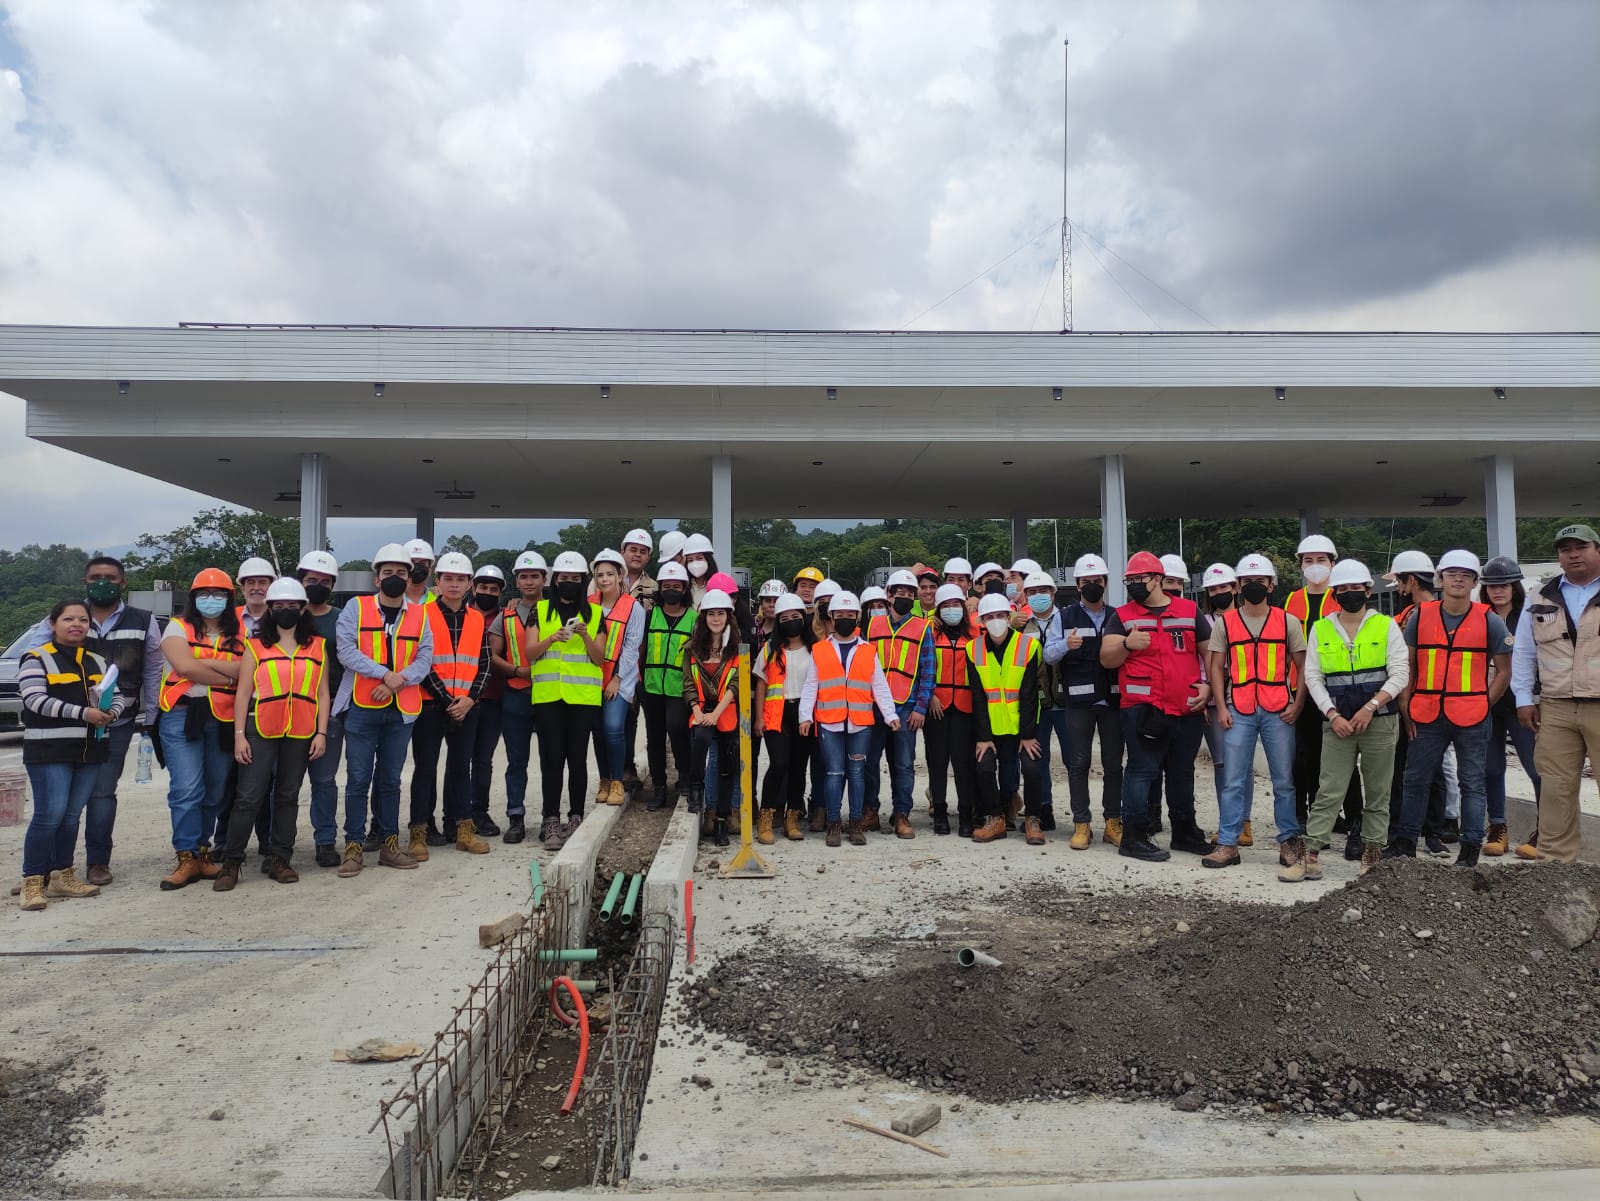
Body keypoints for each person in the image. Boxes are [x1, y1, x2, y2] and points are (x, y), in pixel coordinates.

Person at [17, 555, 161, 888]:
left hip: (115, 724)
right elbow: (38, 658)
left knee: (100, 795)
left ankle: (97, 862)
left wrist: (150, 715)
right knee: (57, 805)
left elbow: (153, 670)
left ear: (123, 583)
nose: (103, 582)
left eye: (111, 577)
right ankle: (42, 871)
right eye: (96, 576)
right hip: (61, 729)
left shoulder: (143, 619)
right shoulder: (66, 616)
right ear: (85, 581)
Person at [1387, 550, 1513, 867]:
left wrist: (1485, 704)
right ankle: (1405, 844)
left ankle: (1469, 849)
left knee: (1472, 783)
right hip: (1426, 713)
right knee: (1415, 779)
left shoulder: (1490, 621)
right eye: (1452, 573)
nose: (1458, 579)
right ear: (1441, 578)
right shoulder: (1421, 616)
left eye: (1466, 575)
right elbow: (1409, 663)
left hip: (1472, 714)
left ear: (1474, 582)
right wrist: (1406, 703)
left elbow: (1504, 671)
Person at [1293, 560, 1407, 879]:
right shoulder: (1322, 628)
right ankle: (1310, 855)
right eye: (1342, 589)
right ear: (1334, 594)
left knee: (1378, 790)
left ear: (1368, 591)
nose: (1349, 594)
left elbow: (1400, 673)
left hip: (1380, 721)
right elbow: (1313, 676)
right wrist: (1332, 714)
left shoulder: (1385, 626)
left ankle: (1372, 854)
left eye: (1355, 588)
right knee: (1328, 789)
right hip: (1337, 723)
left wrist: (1371, 706)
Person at [1099, 551, 1215, 863]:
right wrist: (1126, 644)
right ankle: (1134, 836)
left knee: (1181, 771)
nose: (1135, 584)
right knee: (1141, 771)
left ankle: (1184, 831)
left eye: (1141, 579)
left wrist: (1210, 687)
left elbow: (1210, 655)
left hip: (1186, 708)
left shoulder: (1189, 612)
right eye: (1130, 580)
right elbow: (1106, 657)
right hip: (1143, 709)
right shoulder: (1122, 617)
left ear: (1159, 579)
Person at [216, 578, 330, 889]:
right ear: (269, 609)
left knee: (288, 795)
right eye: (278, 606)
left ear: (303, 608)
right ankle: (231, 862)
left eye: (292, 606)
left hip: (302, 730)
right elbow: (242, 693)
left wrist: (322, 733)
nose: (285, 610)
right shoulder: (255, 646)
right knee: (248, 797)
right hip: (261, 729)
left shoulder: (317, 646)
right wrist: (239, 734)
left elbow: (323, 693)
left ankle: (280, 858)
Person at [15, 600, 126, 911]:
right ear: (53, 624)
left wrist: (111, 714)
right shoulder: (36, 658)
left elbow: (117, 696)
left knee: (70, 816)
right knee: (48, 816)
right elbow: (36, 700)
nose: (76, 624)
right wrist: (85, 713)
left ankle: (62, 875)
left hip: (90, 750)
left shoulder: (97, 661)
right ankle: (32, 881)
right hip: (50, 750)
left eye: (82, 619)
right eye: (68, 619)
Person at [334, 544, 435, 877]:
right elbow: (345, 650)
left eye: (401, 573)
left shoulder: (420, 614)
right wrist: (383, 673)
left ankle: (390, 845)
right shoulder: (356, 608)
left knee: (391, 780)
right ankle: (354, 847)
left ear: (409, 579)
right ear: (376, 578)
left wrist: (396, 681)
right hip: (362, 708)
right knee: (359, 780)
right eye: (388, 573)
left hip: (401, 709)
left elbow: (424, 658)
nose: (395, 578)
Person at [1204, 554, 1307, 873]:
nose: (1253, 587)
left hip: (1278, 708)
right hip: (1240, 708)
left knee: (1284, 781)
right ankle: (1229, 842)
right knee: (1233, 780)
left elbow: (1304, 666)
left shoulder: (1288, 621)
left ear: (1271, 584)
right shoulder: (1226, 623)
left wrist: (1297, 703)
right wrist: (1222, 707)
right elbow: (1216, 668)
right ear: (1238, 586)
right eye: (1247, 582)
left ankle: (1289, 841)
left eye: (1259, 582)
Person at [1513, 524, 1600, 863]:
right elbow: (1523, 651)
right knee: (1555, 789)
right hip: (1556, 707)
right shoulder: (1539, 596)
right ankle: (1554, 867)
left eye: (1581, 546)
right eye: (1566, 549)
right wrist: (1523, 699)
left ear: (1597, 550)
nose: (1573, 554)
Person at [156, 569, 244, 889]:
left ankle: (202, 853)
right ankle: (186, 855)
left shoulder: (242, 630)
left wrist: (205, 667)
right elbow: (184, 667)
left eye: (219, 594)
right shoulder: (177, 627)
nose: (211, 600)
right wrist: (232, 677)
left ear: (229, 598)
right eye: (204, 594)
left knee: (215, 790)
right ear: (193, 598)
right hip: (182, 715)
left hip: (223, 717)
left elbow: (248, 668)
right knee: (187, 788)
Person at [407, 551, 492, 860]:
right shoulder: (420, 615)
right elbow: (420, 661)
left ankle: (463, 832)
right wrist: (446, 699)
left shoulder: (477, 618)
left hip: (467, 707)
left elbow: (484, 663)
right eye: (448, 579)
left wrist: (470, 699)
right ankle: (418, 833)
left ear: (469, 584)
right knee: (425, 769)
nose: (454, 584)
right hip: (431, 704)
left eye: (460, 579)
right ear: (438, 582)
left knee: (460, 769)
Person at [800, 591, 899, 847]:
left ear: (857, 617)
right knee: (834, 773)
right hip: (830, 722)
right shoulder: (819, 650)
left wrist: (890, 715)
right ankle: (833, 824)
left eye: (850, 615)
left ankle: (855, 824)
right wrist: (805, 716)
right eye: (840, 615)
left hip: (860, 723)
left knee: (856, 774)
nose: (845, 619)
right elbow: (811, 685)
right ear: (831, 618)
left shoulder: (868, 650)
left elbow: (879, 686)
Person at [1284, 535, 1364, 847]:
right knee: (1304, 757)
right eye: (1308, 560)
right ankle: (1309, 816)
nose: (1314, 566)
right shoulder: (1292, 601)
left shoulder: (1343, 596)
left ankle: (1353, 818)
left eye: (1321, 560)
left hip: (1339, 692)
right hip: (1300, 689)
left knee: (1343, 760)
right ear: (1301, 564)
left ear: (1333, 562)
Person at [527, 551, 606, 851]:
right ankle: (550, 819)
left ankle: (575, 817)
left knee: (577, 760)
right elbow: (529, 653)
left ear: (582, 581)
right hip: (549, 698)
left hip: (582, 699)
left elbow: (599, 659)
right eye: (564, 578)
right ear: (554, 581)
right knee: (551, 760)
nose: (569, 583)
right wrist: (552, 639)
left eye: (575, 579)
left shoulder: (596, 614)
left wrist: (585, 636)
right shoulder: (540, 610)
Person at [1048, 554, 1123, 849]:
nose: (1092, 585)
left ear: (1105, 583)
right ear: (1077, 584)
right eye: (1087, 581)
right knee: (1078, 764)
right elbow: (1048, 654)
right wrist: (1066, 645)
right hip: (1078, 703)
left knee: (1113, 764)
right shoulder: (1063, 618)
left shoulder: (1118, 617)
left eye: (1097, 581)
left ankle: (1113, 822)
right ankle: (1081, 824)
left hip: (1112, 701)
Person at [1384, 550, 1451, 854]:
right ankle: (1431, 831)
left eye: (1399, 581)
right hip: (1424, 698)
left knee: (1411, 769)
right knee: (1429, 769)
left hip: (1416, 700)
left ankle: (1408, 831)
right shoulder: (1441, 612)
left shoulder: (1417, 615)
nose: (1398, 588)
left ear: (1411, 580)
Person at [969, 593, 1046, 845]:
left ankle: (1033, 818)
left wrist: (1027, 735)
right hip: (991, 727)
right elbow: (978, 697)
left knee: (1033, 768)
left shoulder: (1029, 646)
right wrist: (983, 737)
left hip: (1020, 728)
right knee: (983, 768)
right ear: (982, 620)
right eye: (989, 617)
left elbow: (1029, 694)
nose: (995, 621)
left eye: (1000, 615)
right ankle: (996, 817)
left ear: (1009, 617)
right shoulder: (973, 650)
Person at [863, 569, 934, 838]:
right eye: (899, 593)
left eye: (908, 594)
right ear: (888, 595)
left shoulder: (922, 627)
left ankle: (902, 813)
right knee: (870, 761)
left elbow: (928, 671)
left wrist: (921, 707)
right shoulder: (872, 626)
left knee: (903, 763)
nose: (903, 598)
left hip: (906, 707)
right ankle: (870, 810)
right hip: (875, 706)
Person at [1480, 555, 1539, 856]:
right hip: (1488, 701)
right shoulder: (1479, 616)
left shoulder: (1530, 616)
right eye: (1492, 586)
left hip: (1522, 702)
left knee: (1535, 766)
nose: (1498, 591)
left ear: (1515, 586)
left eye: (1504, 585)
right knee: (1491, 767)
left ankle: (1546, 829)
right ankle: (1498, 827)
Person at [293, 551, 349, 868]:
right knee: (283, 782)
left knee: (324, 781)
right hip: (287, 710)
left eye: (324, 581)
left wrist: (336, 709)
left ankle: (325, 841)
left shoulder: (342, 617)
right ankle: (278, 843)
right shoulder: (285, 613)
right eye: (311, 580)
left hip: (330, 710)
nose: (317, 585)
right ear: (300, 580)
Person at [487, 551, 547, 844]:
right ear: (517, 580)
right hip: (516, 694)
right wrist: (517, 670)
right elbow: (493, 656)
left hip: (550, 695)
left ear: (544, 579)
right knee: (517, 760)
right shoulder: (505, 616)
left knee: (551, 760)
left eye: (535, 576)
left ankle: (551, 818)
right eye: (524, 576)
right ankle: (516, 816)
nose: (529, 581)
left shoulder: (555, 613)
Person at [754, 593, 814, 842]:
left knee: (799, 768)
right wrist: (758, 718)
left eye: (795, 617)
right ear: (778, 621)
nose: (791, 621)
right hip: (776, 715)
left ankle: (792, 818)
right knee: (779, 764)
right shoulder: (769, 649)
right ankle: (766, 818)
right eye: (785, 618)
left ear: (804, 618)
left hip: (804, 715)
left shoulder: (815, 649)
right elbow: (761, 684)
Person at [685, 589, 740, 846]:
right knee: (700, 741)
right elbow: (687, 683)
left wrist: (716, 714)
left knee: (728, 769)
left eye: (721, 613)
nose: (716, 618)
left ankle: (721, 822)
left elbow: (736, 685)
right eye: (711, 614)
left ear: (728, 616)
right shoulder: (692, 648)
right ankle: (695, 788)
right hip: (701, 709)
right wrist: (697, 711)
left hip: (725, 711)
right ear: (703, 617)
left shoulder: (738, 649)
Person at [590, 548, 645, 807]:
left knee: (614, 728)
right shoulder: (588, 605)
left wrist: (617, 678)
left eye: (610, 573)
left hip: (619, 679)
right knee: (598, 731)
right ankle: (604, 779)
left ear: (620, 575)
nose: (604, 579)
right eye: (600, 574)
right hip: (591, 678)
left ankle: (617, 782)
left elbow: (631, 647)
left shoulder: (633, 608)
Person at [925, 583, 980, 836]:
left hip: (966, 707)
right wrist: (930, 695)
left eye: (955, 605)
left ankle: (966, 813)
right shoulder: (930, 634)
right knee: (937, 761)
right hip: (937, 706)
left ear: (963, 607)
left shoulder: (976, 634)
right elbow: (921, 668)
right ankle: (939, 811)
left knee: (963, 761)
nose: (950, 610)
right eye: (945, 606)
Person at [642, 562, 696, 811]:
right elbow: (640, 649)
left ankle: (684, 776)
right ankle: (659, 786)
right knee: (654, 738)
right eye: (667, 586)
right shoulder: (649, 616)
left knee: (677, 729)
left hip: (679, 688)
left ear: (684, 588)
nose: (671, 589)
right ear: (660, 588)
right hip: (651, 686)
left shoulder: (694, 619)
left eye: (677, 586)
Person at [1018, 570, 1064, 831]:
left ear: (1053, 593)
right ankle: (1043, 809)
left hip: (1066, 702)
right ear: (1025, 596)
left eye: (1043, 591)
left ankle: (1083, 816)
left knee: (1075, 761)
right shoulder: (1021, 625)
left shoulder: (1067, 619)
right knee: (1037, 760)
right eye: (1032, 593)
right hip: (1036, 704)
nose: (1038, 596)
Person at [465, 564, 507, 837]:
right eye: (483, 588)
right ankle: (456, 816)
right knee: (458, 761)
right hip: (461, 699)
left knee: (483, 760)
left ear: (501, 592)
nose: (487, 593)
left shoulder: (505, 618)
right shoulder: (463, 616)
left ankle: (479, 812)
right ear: (474, 588)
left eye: (493, 589)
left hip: (493, 699)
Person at [1198, 561, 1239, 813]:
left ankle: (1243, 822)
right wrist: (1205, 692)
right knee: (1222, 763)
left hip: (1243, 700)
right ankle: (1227, 820)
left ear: (1235, 587)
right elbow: (1201, 662)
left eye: (1223, 586)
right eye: (1212, 590)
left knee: (1239, 765)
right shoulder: (1203, 622)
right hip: (1213, 703)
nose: (1218, 593)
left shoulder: (1248, 619)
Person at [236, 557, 276, 636]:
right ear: (243, 588)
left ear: (272, 587)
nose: (256, 588)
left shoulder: (280, 618)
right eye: (251, 583)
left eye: (262, 582)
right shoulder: (230, 617)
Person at [620, 528, 658, 605]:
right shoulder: (607, 580)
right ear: (622, 552)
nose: (638, 554)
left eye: (642, 552)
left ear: (648, 558)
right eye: (633, 550)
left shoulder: (655, 588)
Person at [681, 534, 718, 605]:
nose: (695, 564)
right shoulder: (684, 587)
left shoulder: (719, 585)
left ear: (708, 560)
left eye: (699, 558)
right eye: (690, 560)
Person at [403, 538, 437, 606]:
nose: (417, 567)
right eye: (412, 562)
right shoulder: (391, 600)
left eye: (422, 563)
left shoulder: (438, 602)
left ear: (430, 570)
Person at [754, 579, 785, 643]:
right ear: (761, 604)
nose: (772, 605)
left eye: (776, 601)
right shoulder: (751, 627)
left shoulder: (788, 631)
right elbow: (743, 650)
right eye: (768, 600)